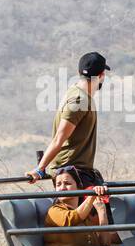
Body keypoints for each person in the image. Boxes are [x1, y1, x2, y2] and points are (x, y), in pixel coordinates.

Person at [27, 51, 110, 188]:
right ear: (101, 75)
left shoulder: (77, 94)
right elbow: (59, 138)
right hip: (71, 175)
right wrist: (40, 169)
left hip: (78, 172)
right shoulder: (79, 100)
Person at [43, 166, 118, 246]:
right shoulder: (54, 211)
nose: (62, 188)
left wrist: (102, 212)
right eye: (58, 185)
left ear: (79, 187)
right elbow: (73, 218)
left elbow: (105, 243)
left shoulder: (85, 215)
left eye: (67, 183)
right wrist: (92, 195)